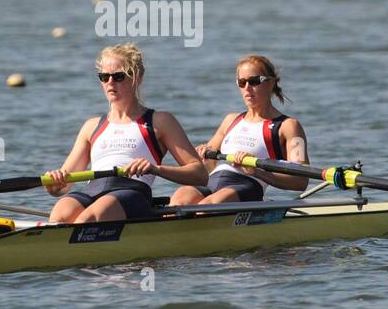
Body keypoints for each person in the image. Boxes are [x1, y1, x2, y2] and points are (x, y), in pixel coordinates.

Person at [46, 43, 207, 223]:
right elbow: (63, 185)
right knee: (61, 214)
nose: (110, 83)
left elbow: (200, 174)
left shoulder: (160, 121)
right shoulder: (91, 126)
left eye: (118, 76)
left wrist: (156, 169)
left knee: (87, 219)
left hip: (132, 193)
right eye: (104, 77)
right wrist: (55, 185)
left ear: (138, 77)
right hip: (91, 191)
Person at [169, 54, 308, 206]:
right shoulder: (230, 120)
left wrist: (256, 171)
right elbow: (206, 168)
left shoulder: (289, 126)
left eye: (254, 81)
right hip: (211, 182)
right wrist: (204, 157)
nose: (247, 88)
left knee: (208, 206)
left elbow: (300, 181)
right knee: (179, 199)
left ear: (271, 83)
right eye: (242, 82)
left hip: (246, 186)